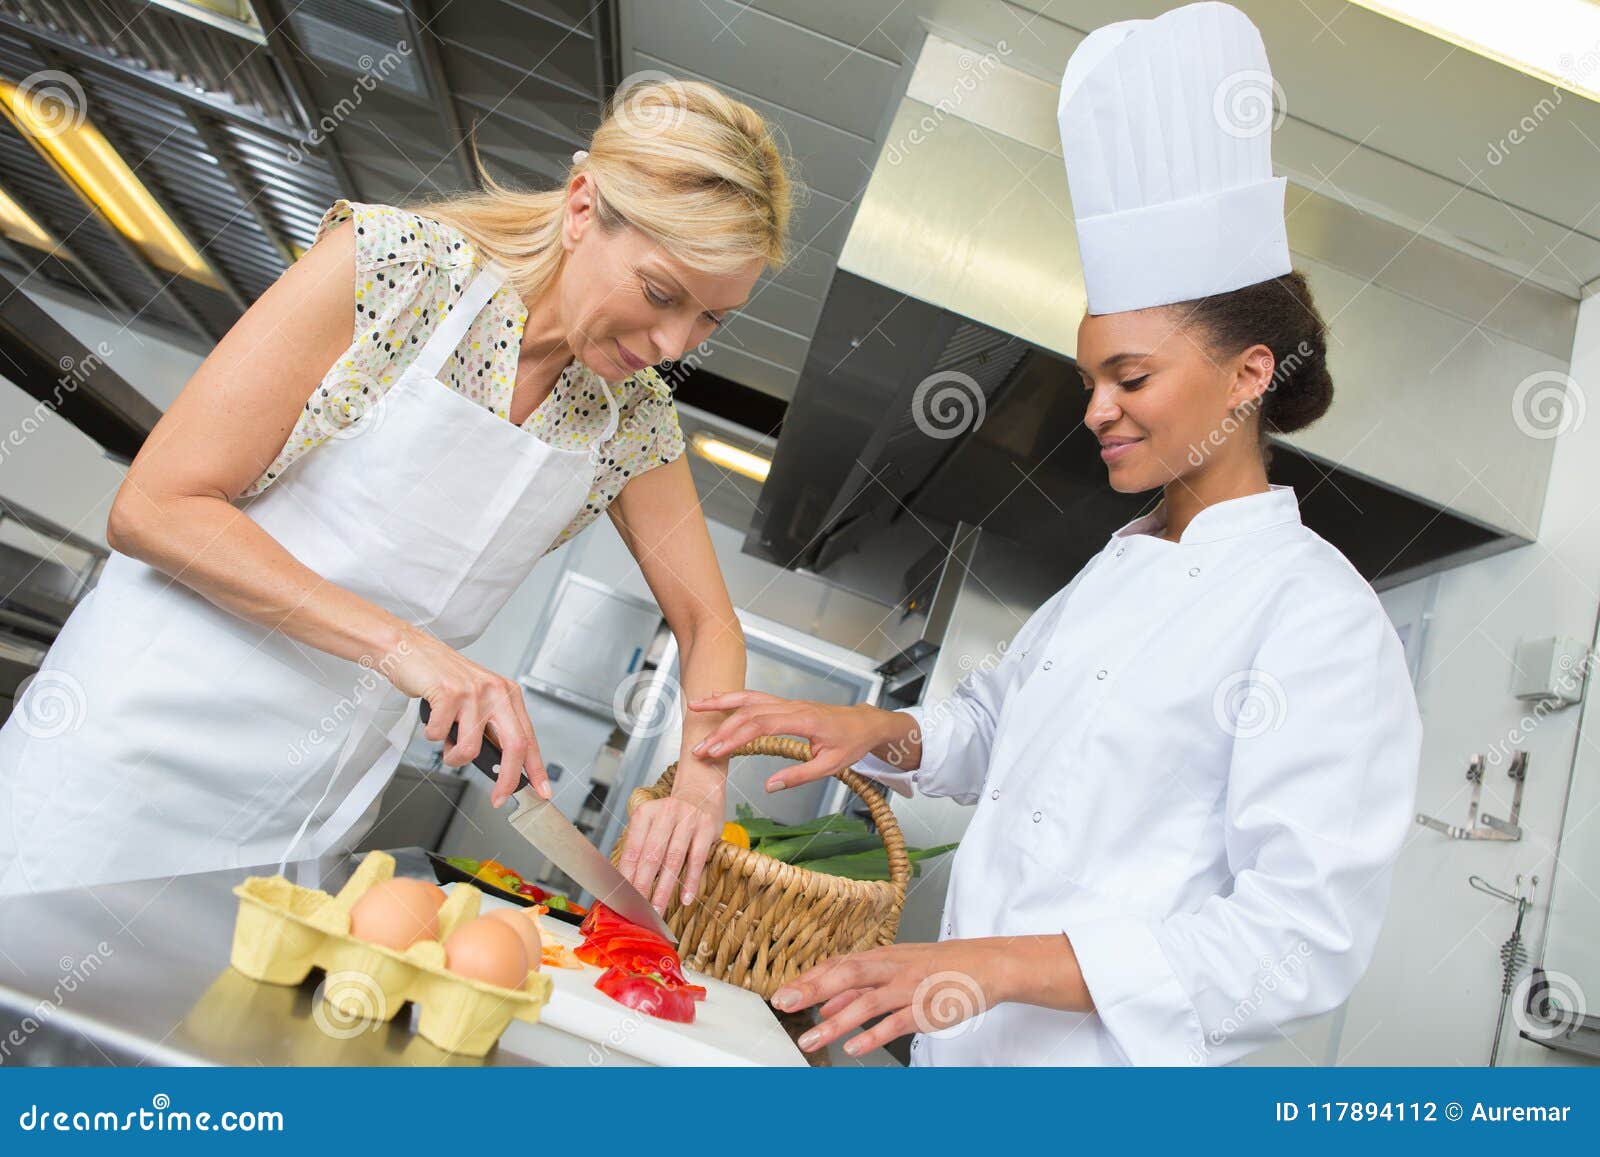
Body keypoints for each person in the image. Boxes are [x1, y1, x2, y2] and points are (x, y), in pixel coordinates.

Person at [686, 2, 1422, 1065]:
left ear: (1248, 374)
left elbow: (1298, 943)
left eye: (1131, 377)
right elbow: (995, 729)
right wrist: (875, 730)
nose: (1096, 410)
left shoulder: (1320, 621)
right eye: (1089, 380)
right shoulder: (1115, 570)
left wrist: (995, 963)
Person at [0, 79, 793, 908]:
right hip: (135, 745)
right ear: (582, 208)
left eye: (712, 319)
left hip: (310, 804)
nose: (673, 343)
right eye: (662, 293)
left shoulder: (631, 418)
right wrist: (406, 648)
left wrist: (700, 782)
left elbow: (708, 622)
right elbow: (156, 506)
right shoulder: (399, 268)